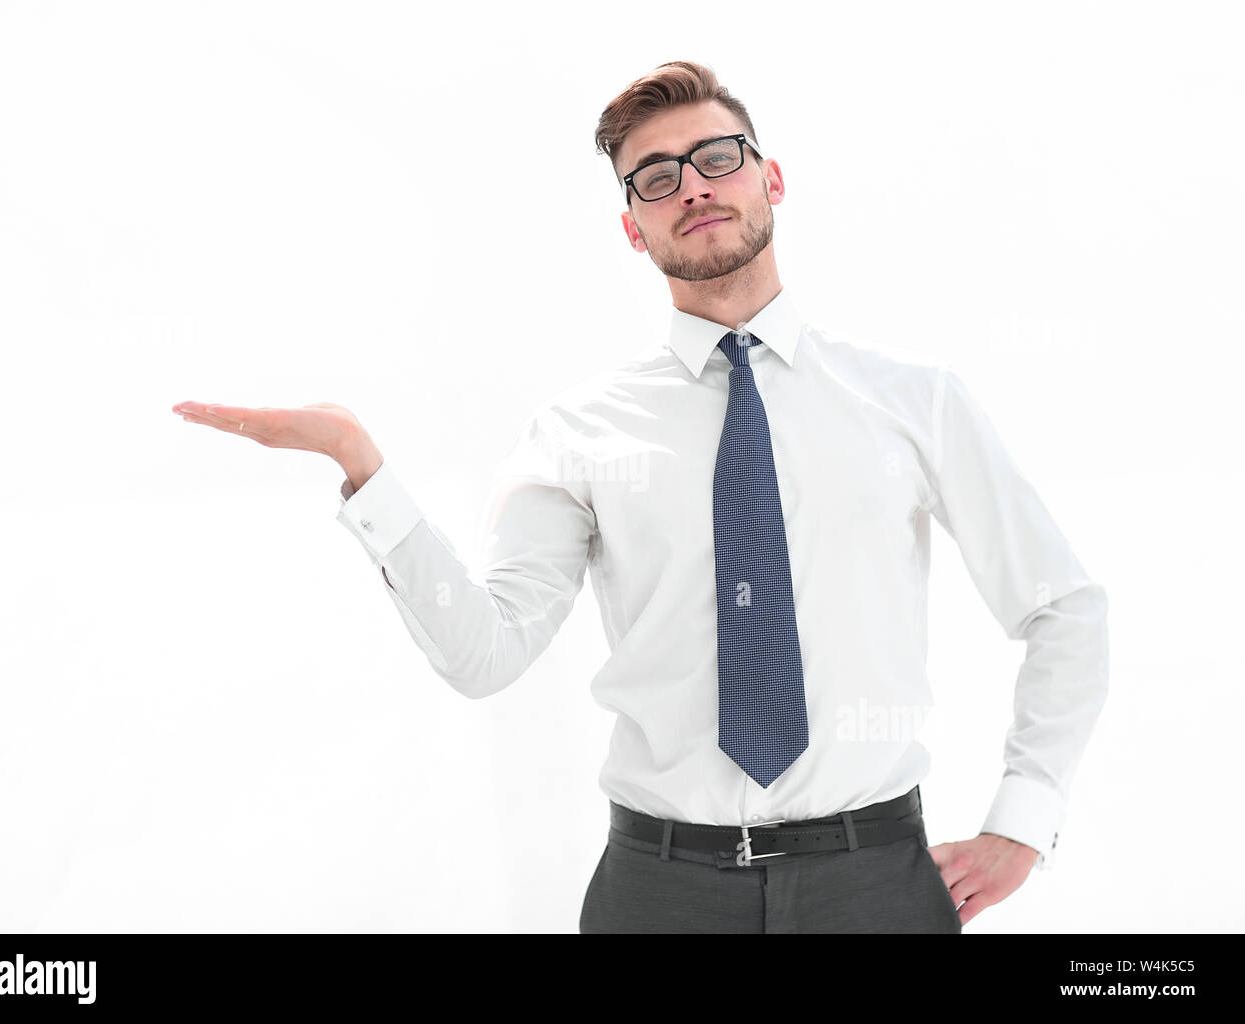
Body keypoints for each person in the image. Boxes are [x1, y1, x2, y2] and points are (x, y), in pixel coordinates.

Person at [172, 60, 1108, 934]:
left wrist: (1024, 818)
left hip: (874, 883)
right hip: (661, 895)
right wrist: (364, 470)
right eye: (655, 177)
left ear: (770, 179)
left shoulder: (914, 400)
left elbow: (1063, 605)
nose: (692, 185)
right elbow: (485, 653)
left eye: (715, 158)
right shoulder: (580, 431)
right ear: (633, 227)